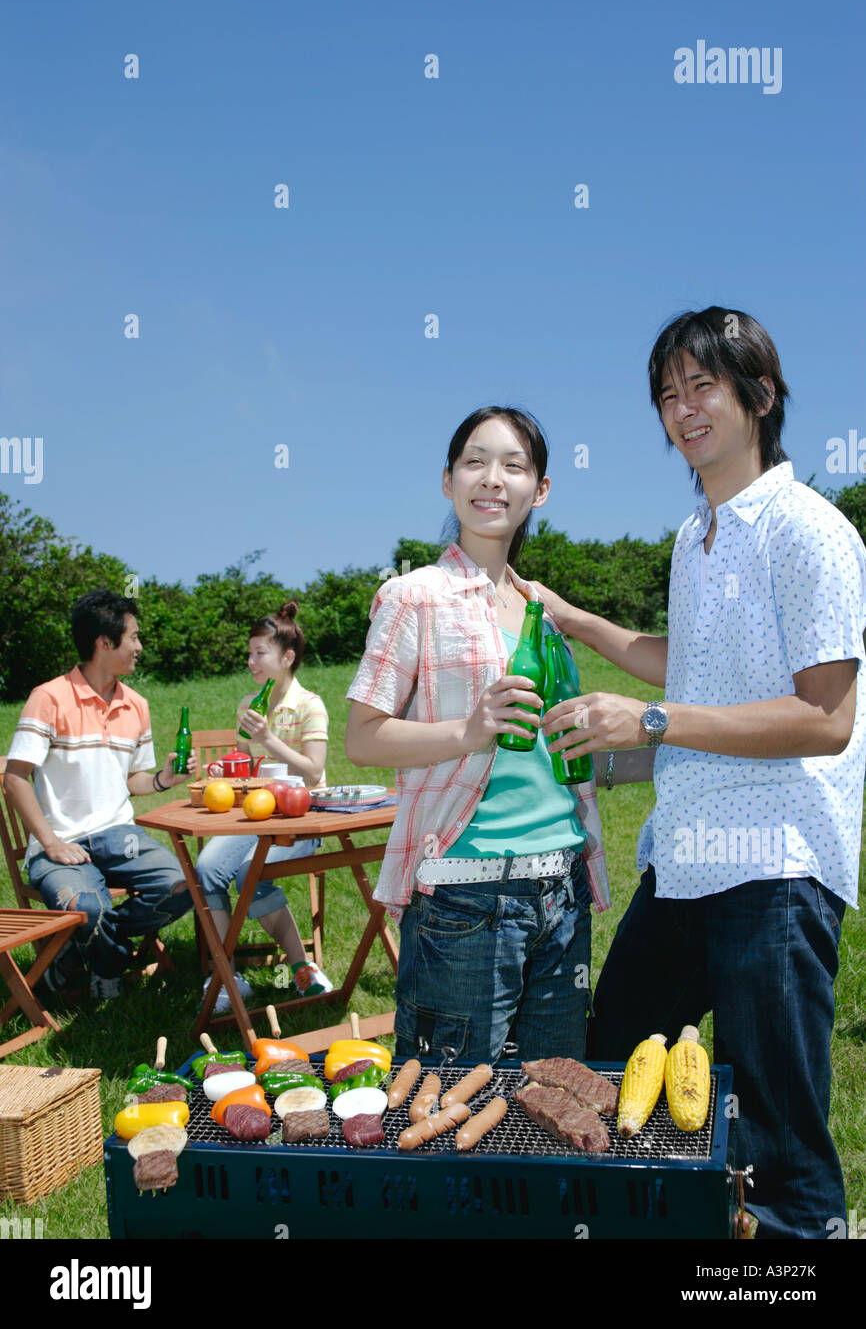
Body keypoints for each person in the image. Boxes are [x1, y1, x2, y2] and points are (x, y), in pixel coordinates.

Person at [535, 306, 866, 1239]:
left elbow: (824, 716)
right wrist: (581, 621)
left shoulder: (810, 531)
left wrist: (648, 720)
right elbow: (695, 664)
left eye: (703, 386)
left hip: (779, 863)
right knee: (611, 1065)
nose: (683, 409)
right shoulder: (697, 537)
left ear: (758, 396)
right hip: (685, 859)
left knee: (777, 1131)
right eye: (668, 394)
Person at [346, 406, 650, 1063]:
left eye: (514, 466)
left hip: (562, 886)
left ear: (539, 489)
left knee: (552, 1100)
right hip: (467, 893)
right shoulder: (413, 596)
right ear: (449, 481)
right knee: (444, 1108)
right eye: (475, 462)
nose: (493, 479)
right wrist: (469, 729)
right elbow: (362, 737)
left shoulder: (540, 608)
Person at [4, 589, 195, 1000]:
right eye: (134, 638)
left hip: (118, 836)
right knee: (90, 908)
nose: (140, 647)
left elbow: (133, 781)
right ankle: (107, 965)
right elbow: (15, 777)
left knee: (183, 885)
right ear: (103, 643)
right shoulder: (49, 698)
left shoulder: (136, 705)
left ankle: (77, 949)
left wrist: (162, 779)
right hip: (60, 843)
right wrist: (51, 843)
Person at [195, 601, 333, 1010]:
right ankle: (228, 978)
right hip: (255, 816)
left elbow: (313, 772)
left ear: (287, 657)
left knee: (247, 871)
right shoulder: (248, 703)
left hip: (301, 819)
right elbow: (246, 769)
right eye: (249, 652)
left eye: (260, 652)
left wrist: (270, 739)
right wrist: (227, 769)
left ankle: (301, 967)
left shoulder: (310, 705)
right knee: (206, 868)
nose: (251, 660)